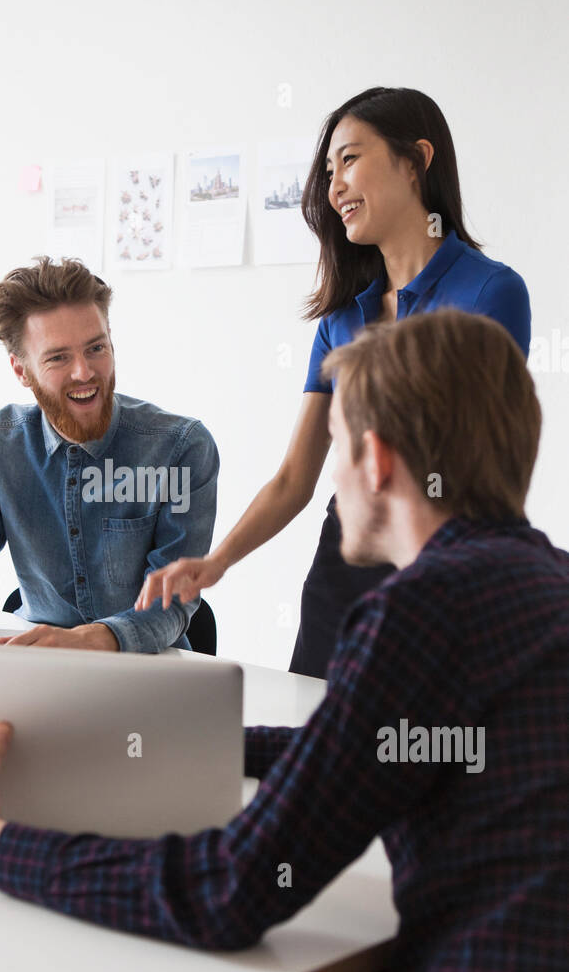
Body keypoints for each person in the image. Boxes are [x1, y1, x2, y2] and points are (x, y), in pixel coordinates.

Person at [0, 309, 569, 972]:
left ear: (377, 459)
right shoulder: (541, 586)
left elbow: (226, 890)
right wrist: (140, 735)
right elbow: (357, 747)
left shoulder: (420, 612)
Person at [135, 87, 531, 679]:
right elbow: (296, 477)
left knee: (420, 753)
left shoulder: (490, 292)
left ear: (416, 160)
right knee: (317, 731)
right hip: (346, 556)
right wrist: (215, 562)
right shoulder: (343, 317)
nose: (334, 186)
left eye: (349, 159)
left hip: (444, 562)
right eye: (328, 171)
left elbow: (491, 464)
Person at [0, 256, 219, 652]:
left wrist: (84, 640)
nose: (84, 372)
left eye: (96, 348)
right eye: (58, 357)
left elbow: (173, 602)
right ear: (21, 370)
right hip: (37, 669)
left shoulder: (181, 448)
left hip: (150, 674)